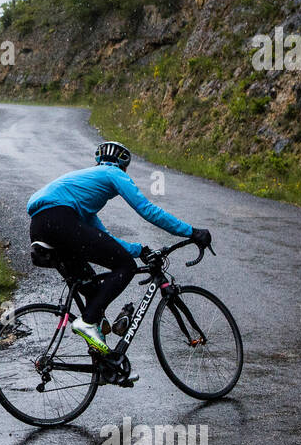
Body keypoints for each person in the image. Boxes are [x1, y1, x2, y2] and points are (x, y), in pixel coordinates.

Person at [27, 140, 209, 355]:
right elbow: (147, 210)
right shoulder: (114, 173)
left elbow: (105, 238)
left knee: (94, 293)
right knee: (126, 267)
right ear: (123, 165)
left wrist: (139, 249)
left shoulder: (84, 198)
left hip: (41, 226)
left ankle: (102, 363)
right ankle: (86, 323)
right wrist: (191, 231)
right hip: (60, 220)